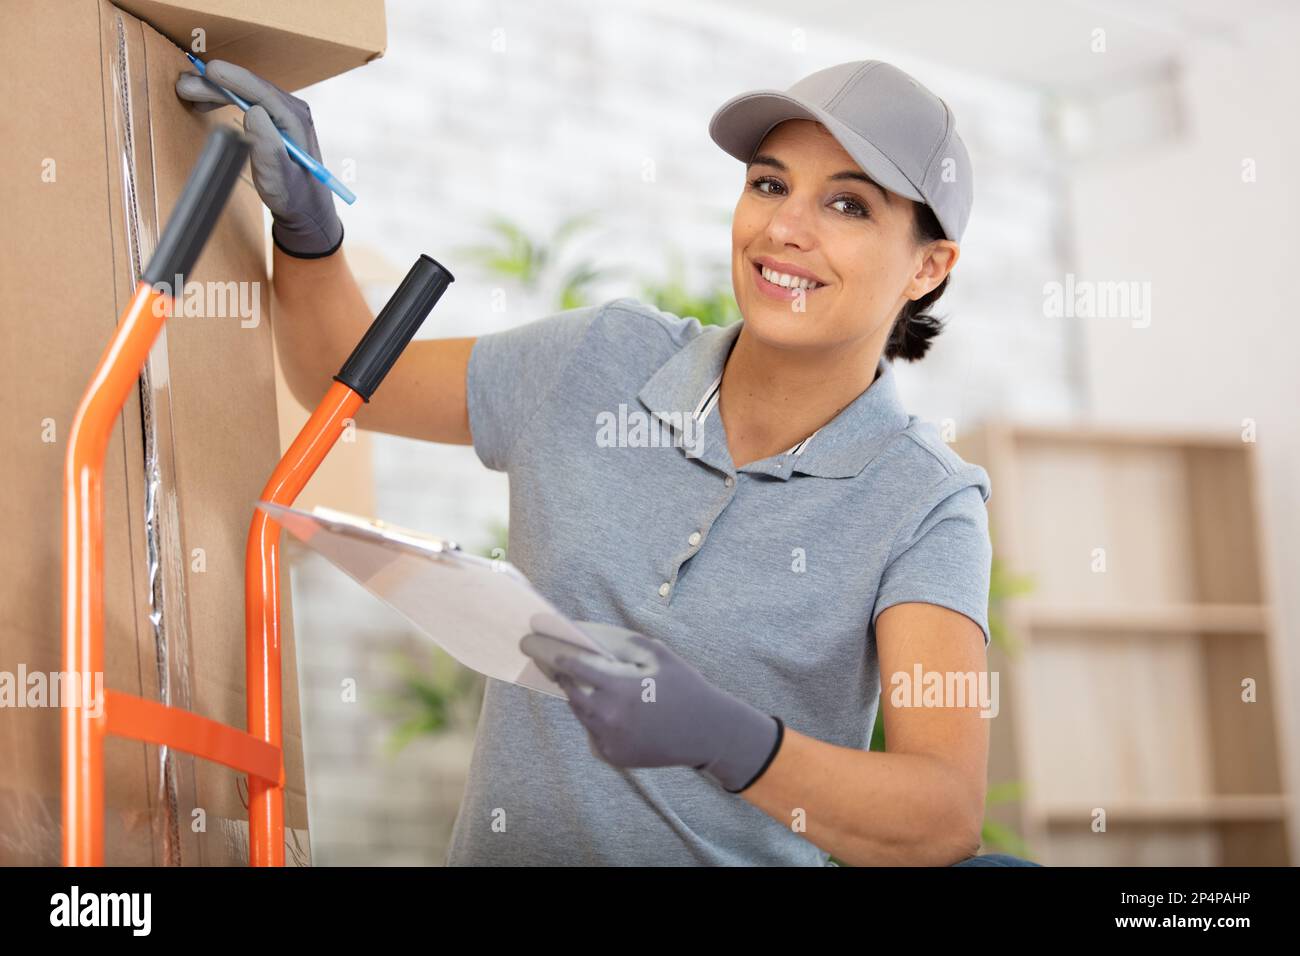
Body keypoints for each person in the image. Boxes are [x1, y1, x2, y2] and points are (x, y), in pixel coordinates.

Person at [177, 58, 1041, 867]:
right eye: (769, 183)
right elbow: (363, 380)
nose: (784, 227)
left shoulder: (924, 499)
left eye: (847, 206)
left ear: (928, 267)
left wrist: (725, 737)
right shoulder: (600, 361)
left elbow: (942, 810)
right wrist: (308, 233)